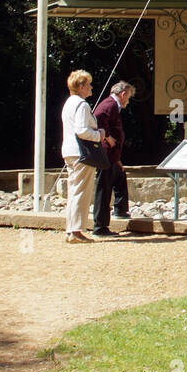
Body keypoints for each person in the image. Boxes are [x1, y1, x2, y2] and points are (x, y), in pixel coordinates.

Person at [60, 69, 104, 244]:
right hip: (81, 153)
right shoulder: (82, 104)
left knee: (74, 190)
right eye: (88, 84)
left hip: (69, 152)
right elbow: (81, 131)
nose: (91, 87)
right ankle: (76, 231)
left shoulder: (68, 103)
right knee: (81, 192)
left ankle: (71, 229)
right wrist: (99, 134)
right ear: (80, 86)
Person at [91, 81, 135, 237]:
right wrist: (107, 137)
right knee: (103, 188)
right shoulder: (109, 104)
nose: (128, 101)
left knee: (119, 176)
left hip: (111, 155)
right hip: (106, 154)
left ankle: (120, 210)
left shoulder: (112, 105)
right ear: (123, 94)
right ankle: (100, 227)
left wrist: (117, 158)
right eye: (128, 97)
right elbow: (96, 118)